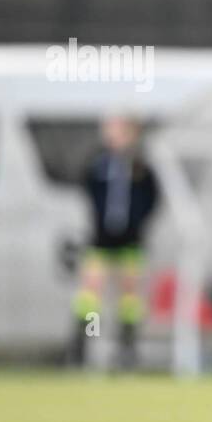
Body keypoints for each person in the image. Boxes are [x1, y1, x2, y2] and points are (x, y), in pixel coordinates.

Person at [71, 115, 159, 369]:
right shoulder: (98, 164)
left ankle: (127, 348)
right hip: (101, 240)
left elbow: (152, 199)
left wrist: (137, 222)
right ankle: (81, 345)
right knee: (90, 292)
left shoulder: (140, 167)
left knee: (129, 297)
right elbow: (88, 191)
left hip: (130, 241)